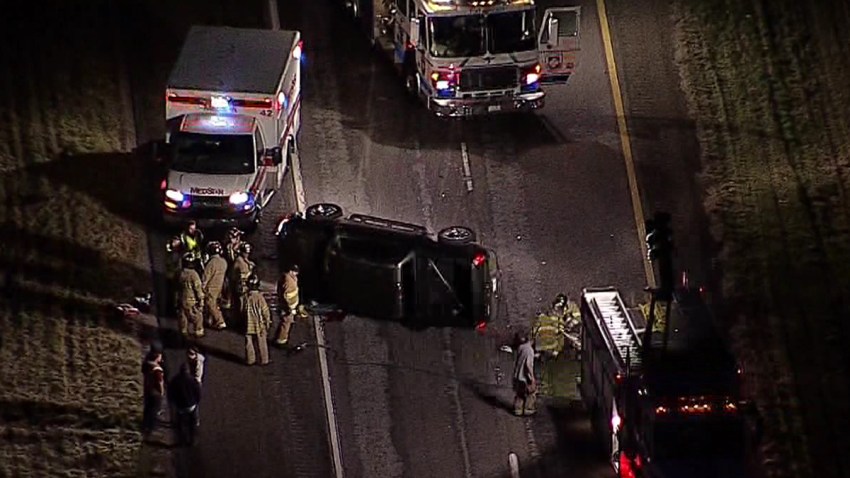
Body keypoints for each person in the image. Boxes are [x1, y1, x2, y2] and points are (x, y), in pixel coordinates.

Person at [168, 363, 201, 446]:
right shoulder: (193, 380)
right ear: (188, 371)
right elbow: (198, 393)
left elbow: (170, 393)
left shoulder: (175, 380)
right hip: (192, 405)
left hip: (180, 406)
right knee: (192, 424)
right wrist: (196, 401)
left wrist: (173, 403)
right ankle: (192, 440)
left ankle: (182, 441)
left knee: (180, 425)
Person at [244, 274, 272, 366]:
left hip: (248, 323)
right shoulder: (260, 298)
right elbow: (265, 312)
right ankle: (264, 359)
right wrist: (267, 322)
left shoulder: (246, 297)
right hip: (259, 324)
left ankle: (250, 360)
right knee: (261, 342)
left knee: (249, 343)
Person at [202, 241, 228, 330]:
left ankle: (220, 321)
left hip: (211, 287)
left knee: (210, 304)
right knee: (215, 304)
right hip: (219, 286)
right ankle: (209, 320)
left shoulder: (211, 263)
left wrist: (202, 287)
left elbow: (206, 277)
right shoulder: (223, 262)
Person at [178, 253, 205, 338]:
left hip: (182, 298)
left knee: (183, 316)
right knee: (197, 316)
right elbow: (198, 288)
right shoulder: (194, 274)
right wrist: (201, 301)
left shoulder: (180, 273)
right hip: (191, 299)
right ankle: (198, 331)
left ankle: (183, 331)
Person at [275, 264, 301, 346]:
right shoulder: (288, 280)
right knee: (286, 323)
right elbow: (285, 295)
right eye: (295, 272)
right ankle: (281, 341)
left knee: (286, 322)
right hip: (287, 306)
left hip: (290, 305)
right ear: (291, 271)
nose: (296, 274)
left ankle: (279, 337)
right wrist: (288, 307)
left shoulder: (291, 278)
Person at [512, 332, 537, 416]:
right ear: (532, 341)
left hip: (517, 375)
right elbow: (528, 365)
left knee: (519, 394)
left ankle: (517, 410)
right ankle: (528, 409)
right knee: (531, 393)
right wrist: (532, 378)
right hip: (524, 377)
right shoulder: (530, 350)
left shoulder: (521, 347)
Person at [142, 350, 165, 437]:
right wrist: (162, 392)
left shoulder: (147, 365)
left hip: (148, 389)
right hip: (155, 392)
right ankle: (150, 429)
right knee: (154, 410)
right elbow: (160, 382)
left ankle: (144, 425)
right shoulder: (157, 370)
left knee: (147, 409)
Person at [229, 242, 254, 319]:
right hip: (240, 287)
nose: (247, 254)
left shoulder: (246, 261)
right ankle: (239, 320)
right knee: (240, 305)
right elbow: (233, 275)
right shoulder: (239, 261)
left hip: (246, 287)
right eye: (246, 253)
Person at [186, 346, 205, 426]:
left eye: (191, 354)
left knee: (194, 402)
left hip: (195, 383)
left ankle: (195, 420)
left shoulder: (198, 363)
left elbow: (197, 376)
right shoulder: (193, 360)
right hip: (192, 381)